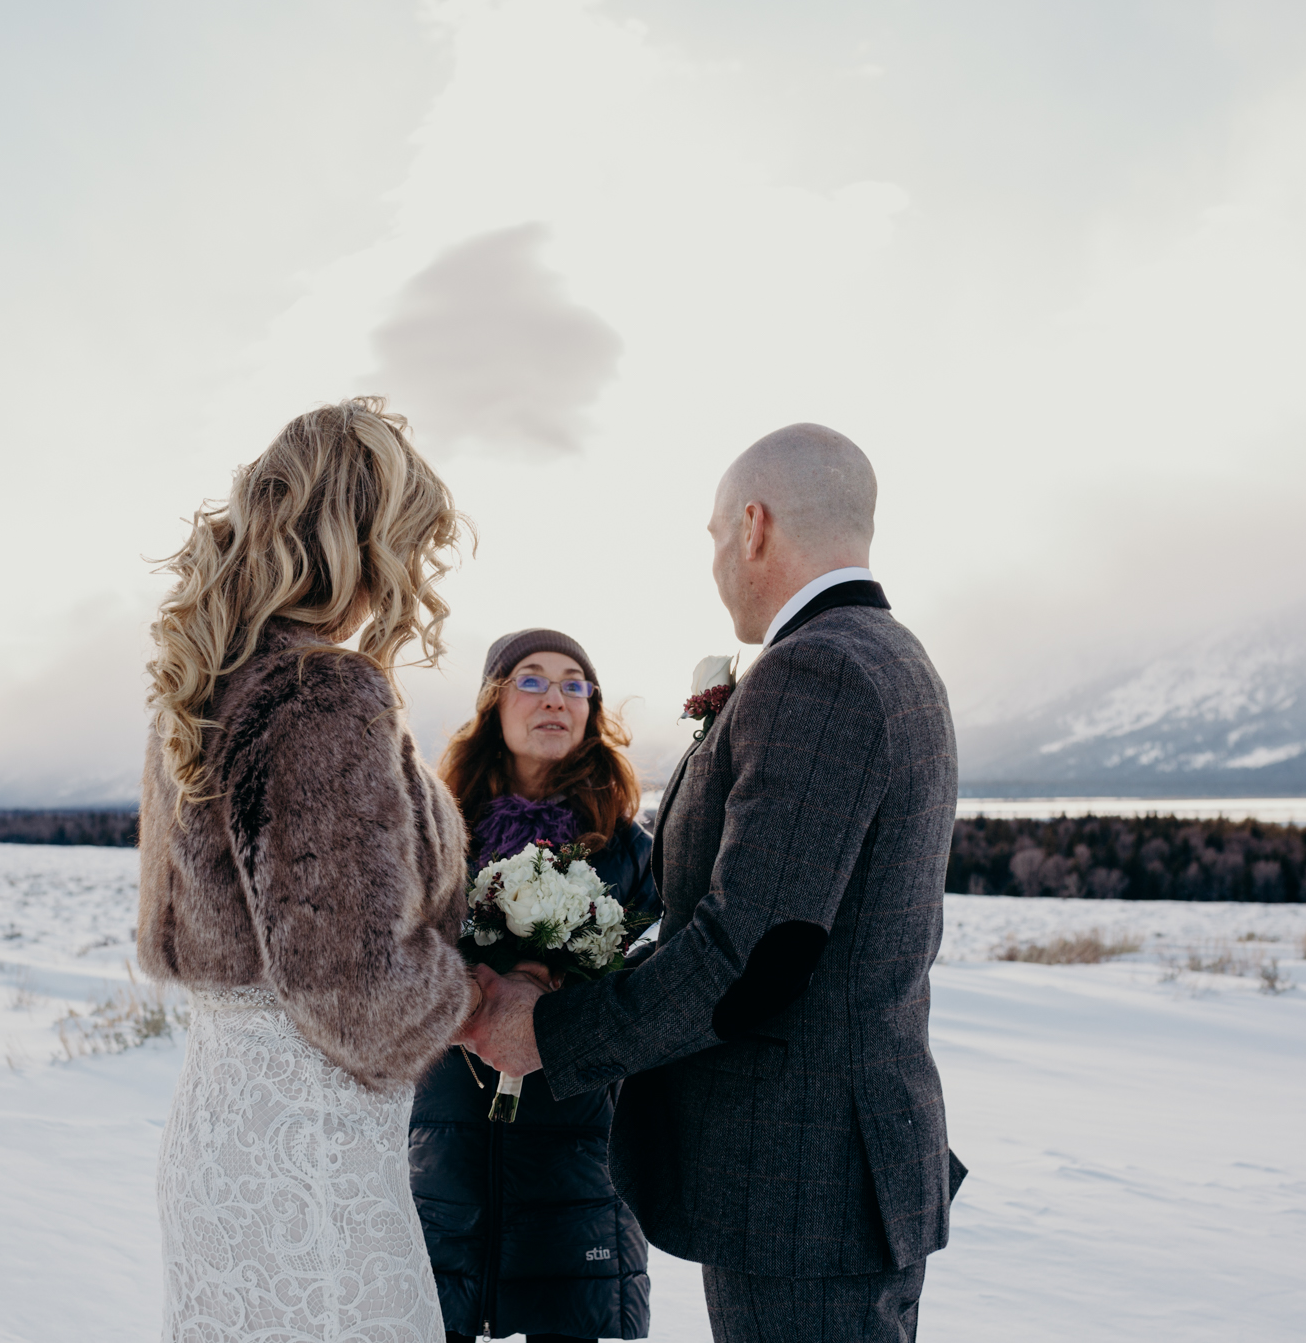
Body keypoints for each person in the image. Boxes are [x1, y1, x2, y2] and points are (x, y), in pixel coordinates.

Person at [463, 423, 967, 1343]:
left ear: (753, 526)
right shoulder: (890, 654)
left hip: (801, 1181)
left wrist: (549, 1032)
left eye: (713, 536)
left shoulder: (818, 669)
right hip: (827, 1171)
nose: (715, 562)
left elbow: (754, 956)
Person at [135, 396, 475, 1343]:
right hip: (311, 1162)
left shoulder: (198, 683)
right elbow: (354, 992)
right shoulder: (321, 692)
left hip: (217, 1135)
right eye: (409, 541)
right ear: (365, 540)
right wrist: (475, 991)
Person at [411, 629, 660, 1343]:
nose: (556, 697)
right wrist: (470, 988)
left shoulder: (630, 849)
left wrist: (565, 984)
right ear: (493, 703)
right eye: (532, 678)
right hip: (449, 1147)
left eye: (574, 683)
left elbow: (661, 978)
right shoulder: (436, 834)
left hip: (579, 1158)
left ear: (591, 709)